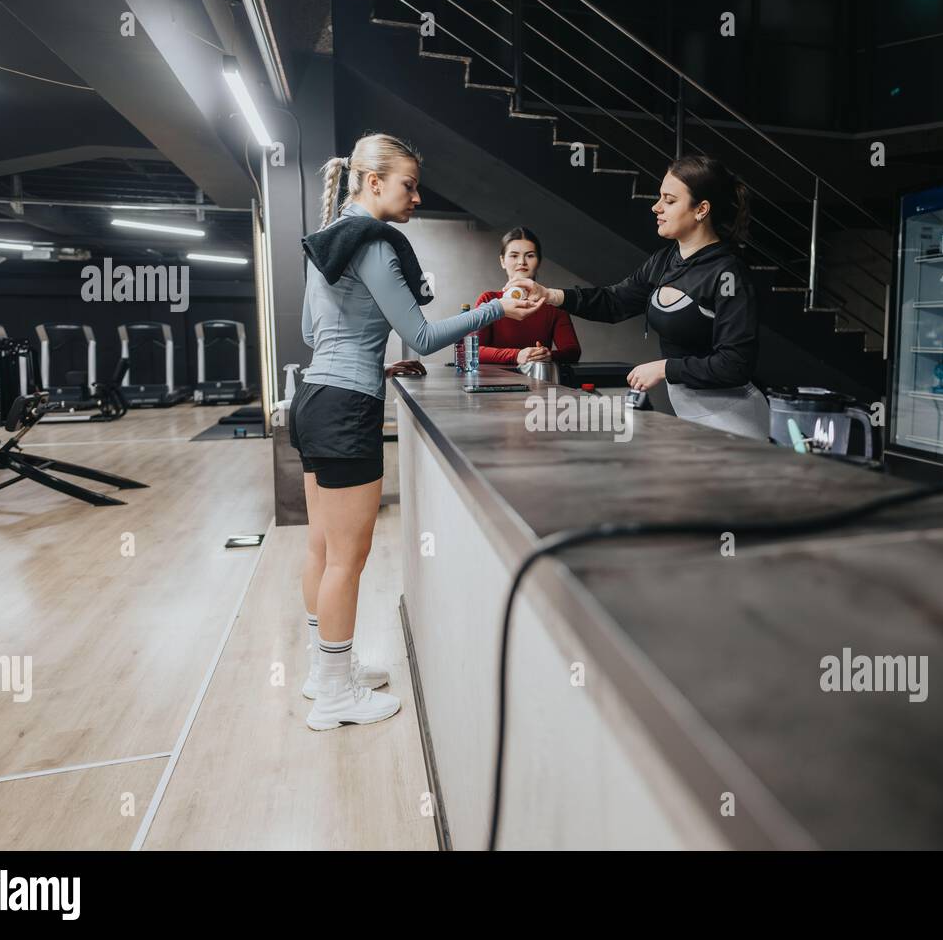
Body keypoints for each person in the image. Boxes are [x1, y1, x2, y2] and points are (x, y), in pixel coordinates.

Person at [290, 133, 540, 731]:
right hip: (347, 407)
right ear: (373, 183)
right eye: (408, 184)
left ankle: (323, 673)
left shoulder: (327, 241)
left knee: (322, 551)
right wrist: (499, 308)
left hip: (313, 398)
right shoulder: (374, 243)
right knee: (346, 560)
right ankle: (334, 696)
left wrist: (372, 361)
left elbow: (311, 332)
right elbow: (424, 337)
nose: (417, 196)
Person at [504, 154, 769, 440]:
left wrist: (665, 368)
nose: (657, 208)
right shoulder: (665, 261)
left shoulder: (728, 273)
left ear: (701, 209)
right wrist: (550, 294)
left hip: (736, 420)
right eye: (659, 198)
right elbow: (614, 302)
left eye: (669, 200)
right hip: (694, 417)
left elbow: (735, 365)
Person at [472, 226, 581, 366]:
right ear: (502, 261)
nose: (521, 262)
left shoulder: (553, 302)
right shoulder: (488, 300)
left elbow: (572, 352)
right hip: (493, 383)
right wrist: (516, 355)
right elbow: (473, 351)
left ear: (539, 261)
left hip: (539, 383)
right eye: (514, 255)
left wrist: (548, 355)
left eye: (530, 255)